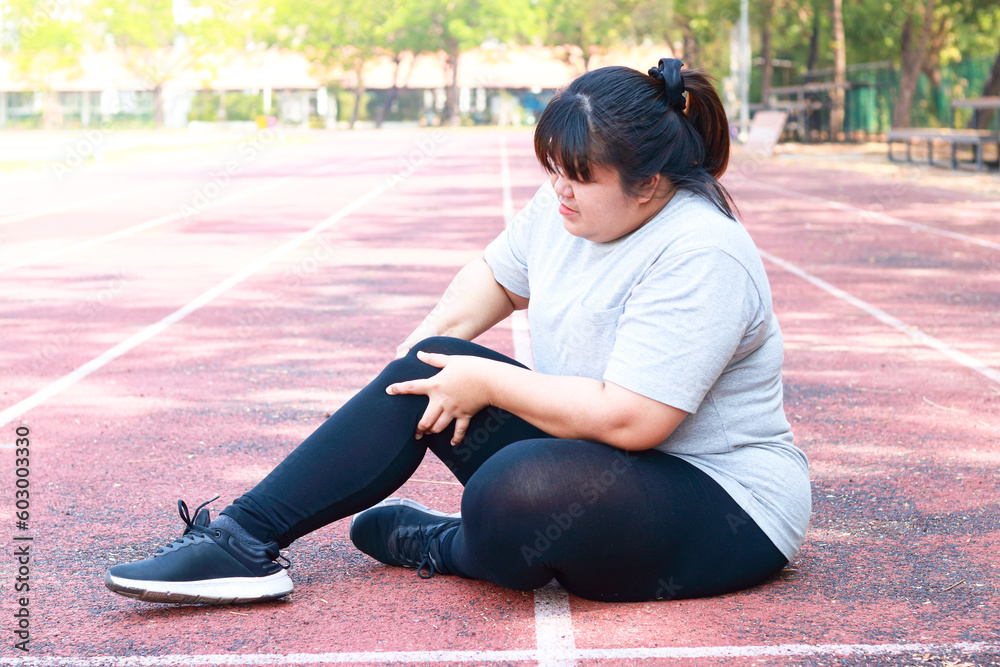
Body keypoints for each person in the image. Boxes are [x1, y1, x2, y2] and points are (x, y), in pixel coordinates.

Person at [105, 59, 810, 605]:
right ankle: (240, 539)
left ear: (651, 183)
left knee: (514, 490)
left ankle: (450, 543)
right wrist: (400, 383)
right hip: (596, 461)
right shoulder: (567, 204)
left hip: (722, 504)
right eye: (554, 169)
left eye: (580, 176)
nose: (560, 189)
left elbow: (634, 419)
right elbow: (492, 282)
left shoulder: (701, 251)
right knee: (430, 367)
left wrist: (488, 380)